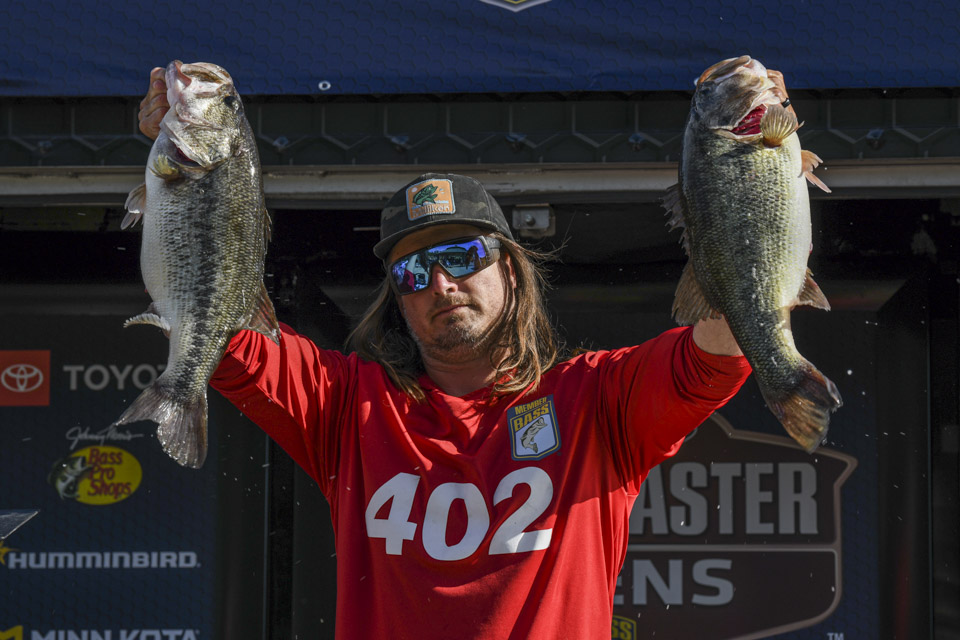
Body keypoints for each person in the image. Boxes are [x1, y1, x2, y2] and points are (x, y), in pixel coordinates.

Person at [138, 70, 754, 640]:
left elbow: (724, 345)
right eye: (413, 271)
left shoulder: (597, 399)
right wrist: (195, 172)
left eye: (462, 256)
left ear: (511, 270)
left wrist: (753, 160)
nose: (440, 284)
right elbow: (215, 330)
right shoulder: (347, 406)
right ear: (397, 299)